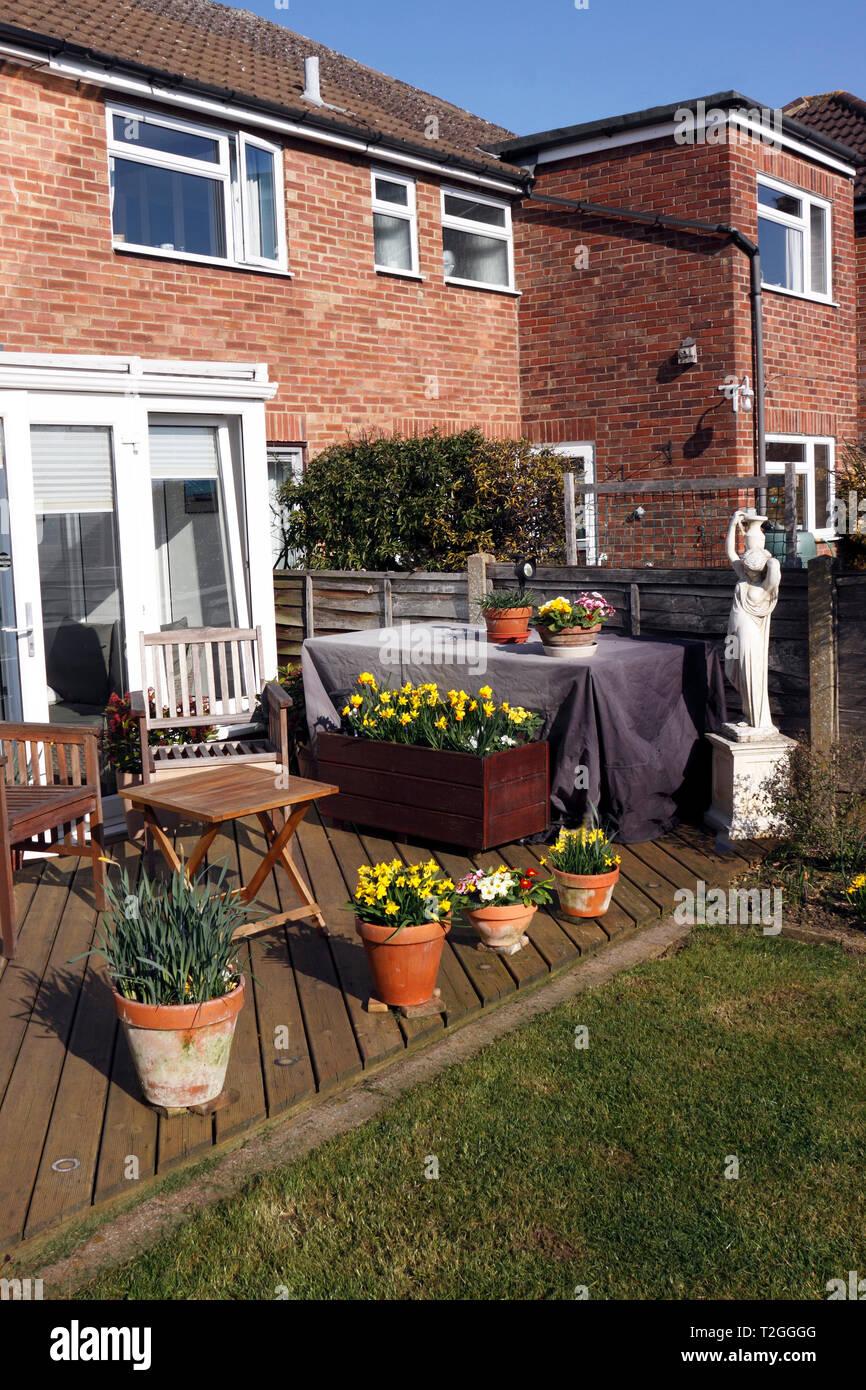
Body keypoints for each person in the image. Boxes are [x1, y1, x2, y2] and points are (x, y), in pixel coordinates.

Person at [724, 509, 781, 730]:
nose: (747, 571)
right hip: (733, 635)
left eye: (751, 570)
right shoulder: (743, 576)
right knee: (734, 670)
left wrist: (770, 559)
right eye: (746, 568)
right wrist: (732, 524)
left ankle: (757, 720)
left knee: (750, 675)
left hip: (748, 637)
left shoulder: (764, 587)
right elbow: (730, 551)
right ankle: (748, 715)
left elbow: (774, 574)